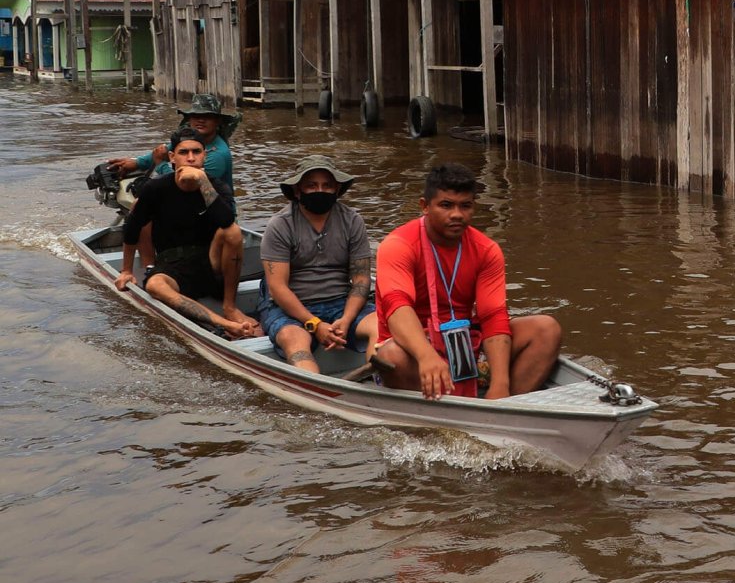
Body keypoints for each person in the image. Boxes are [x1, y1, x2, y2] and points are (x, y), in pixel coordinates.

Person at [372, 163, 561, 400]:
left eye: (465, 206)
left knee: (546, 329)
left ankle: (504, 407)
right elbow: (397, 306)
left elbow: (493, 316)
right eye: (446, 205)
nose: (457, 215)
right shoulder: (398, 245)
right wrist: (426, 356)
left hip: (465, 342)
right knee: (391, 356)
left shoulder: (486, 250)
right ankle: (435, 410)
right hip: (414, 349)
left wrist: (501, 384)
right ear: (424, 207)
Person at [115, 126, 260, 339]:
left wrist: (202, 181)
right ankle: (224, 323)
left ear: (204, 155)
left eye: (196, 152)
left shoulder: (215, 185)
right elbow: (132, 228)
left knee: (233, 232)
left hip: (212, 262)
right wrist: (126, 270)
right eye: (184, 153)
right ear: (172, 157)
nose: (190, 158)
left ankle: (229, 306)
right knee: (155, 285)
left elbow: (227, 221)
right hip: (173, 265)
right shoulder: (156, 189)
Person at [258, 155, 378, 375]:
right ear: (297, 191)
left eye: (327, 186)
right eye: (311, 186)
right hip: (291, 309)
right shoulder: (280, 225)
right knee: (295, 342)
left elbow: (361, 280)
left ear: (337, 189)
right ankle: (317, 395)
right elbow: (278, 288)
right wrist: (314, 323)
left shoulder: (352, 221)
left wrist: (346, 319)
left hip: (341, 304)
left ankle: (382, 386)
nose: (319, 191)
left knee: (382, 327)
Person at [105, 92, 239, 196]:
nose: (201, 120)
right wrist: (137, 163)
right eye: (196, 116)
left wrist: (160, 165)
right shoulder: (190, 140)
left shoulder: (217, 155)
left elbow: (184, 187)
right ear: (189, 119)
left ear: (217, 122)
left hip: (212, 214)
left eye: (207, 116)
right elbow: (164, 150)